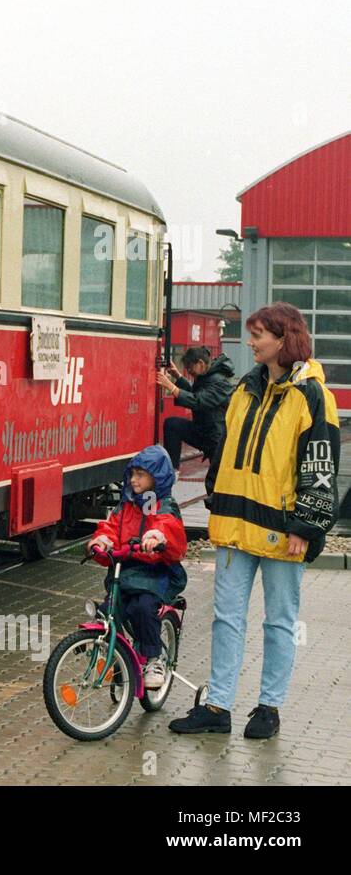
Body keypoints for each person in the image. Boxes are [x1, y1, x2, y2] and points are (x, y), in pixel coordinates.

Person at [170, 303, 339, 739]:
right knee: (226, 618)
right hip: (233, 524)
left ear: (283, 339)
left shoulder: (314, 397)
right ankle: (217, 706)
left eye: (258, 334)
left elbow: (321, 465)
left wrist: (307, 526)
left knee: (279, 622)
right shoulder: (245, 388)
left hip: (284, 531)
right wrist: (213, 493)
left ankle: (268, 708)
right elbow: (225, 447)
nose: (250, 342)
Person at [87, 445, 188, 688]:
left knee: (143, 607)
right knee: (109, 608)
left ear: (157, 478)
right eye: (132, 474)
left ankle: (154, 658)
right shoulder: (126, 505)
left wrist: (156, 537)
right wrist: (101, 541)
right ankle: (117, 653)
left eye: (141, 475)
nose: (134, 480)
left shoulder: (164, 505)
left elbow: (167, 526)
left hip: (156, 573)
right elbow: (110, 527)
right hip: (126, 570)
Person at [157, 346, 234, 472]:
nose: (188, 371)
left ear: (200, 363)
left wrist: (170, 386)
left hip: (216, 438)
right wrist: (178, 377)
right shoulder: (207, 376)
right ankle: (172, 471)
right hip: (203, 431)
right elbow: (194, 393)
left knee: (217, 480)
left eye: (189, 367)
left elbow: (198, 400)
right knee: (172, 425)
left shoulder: (219, 381)